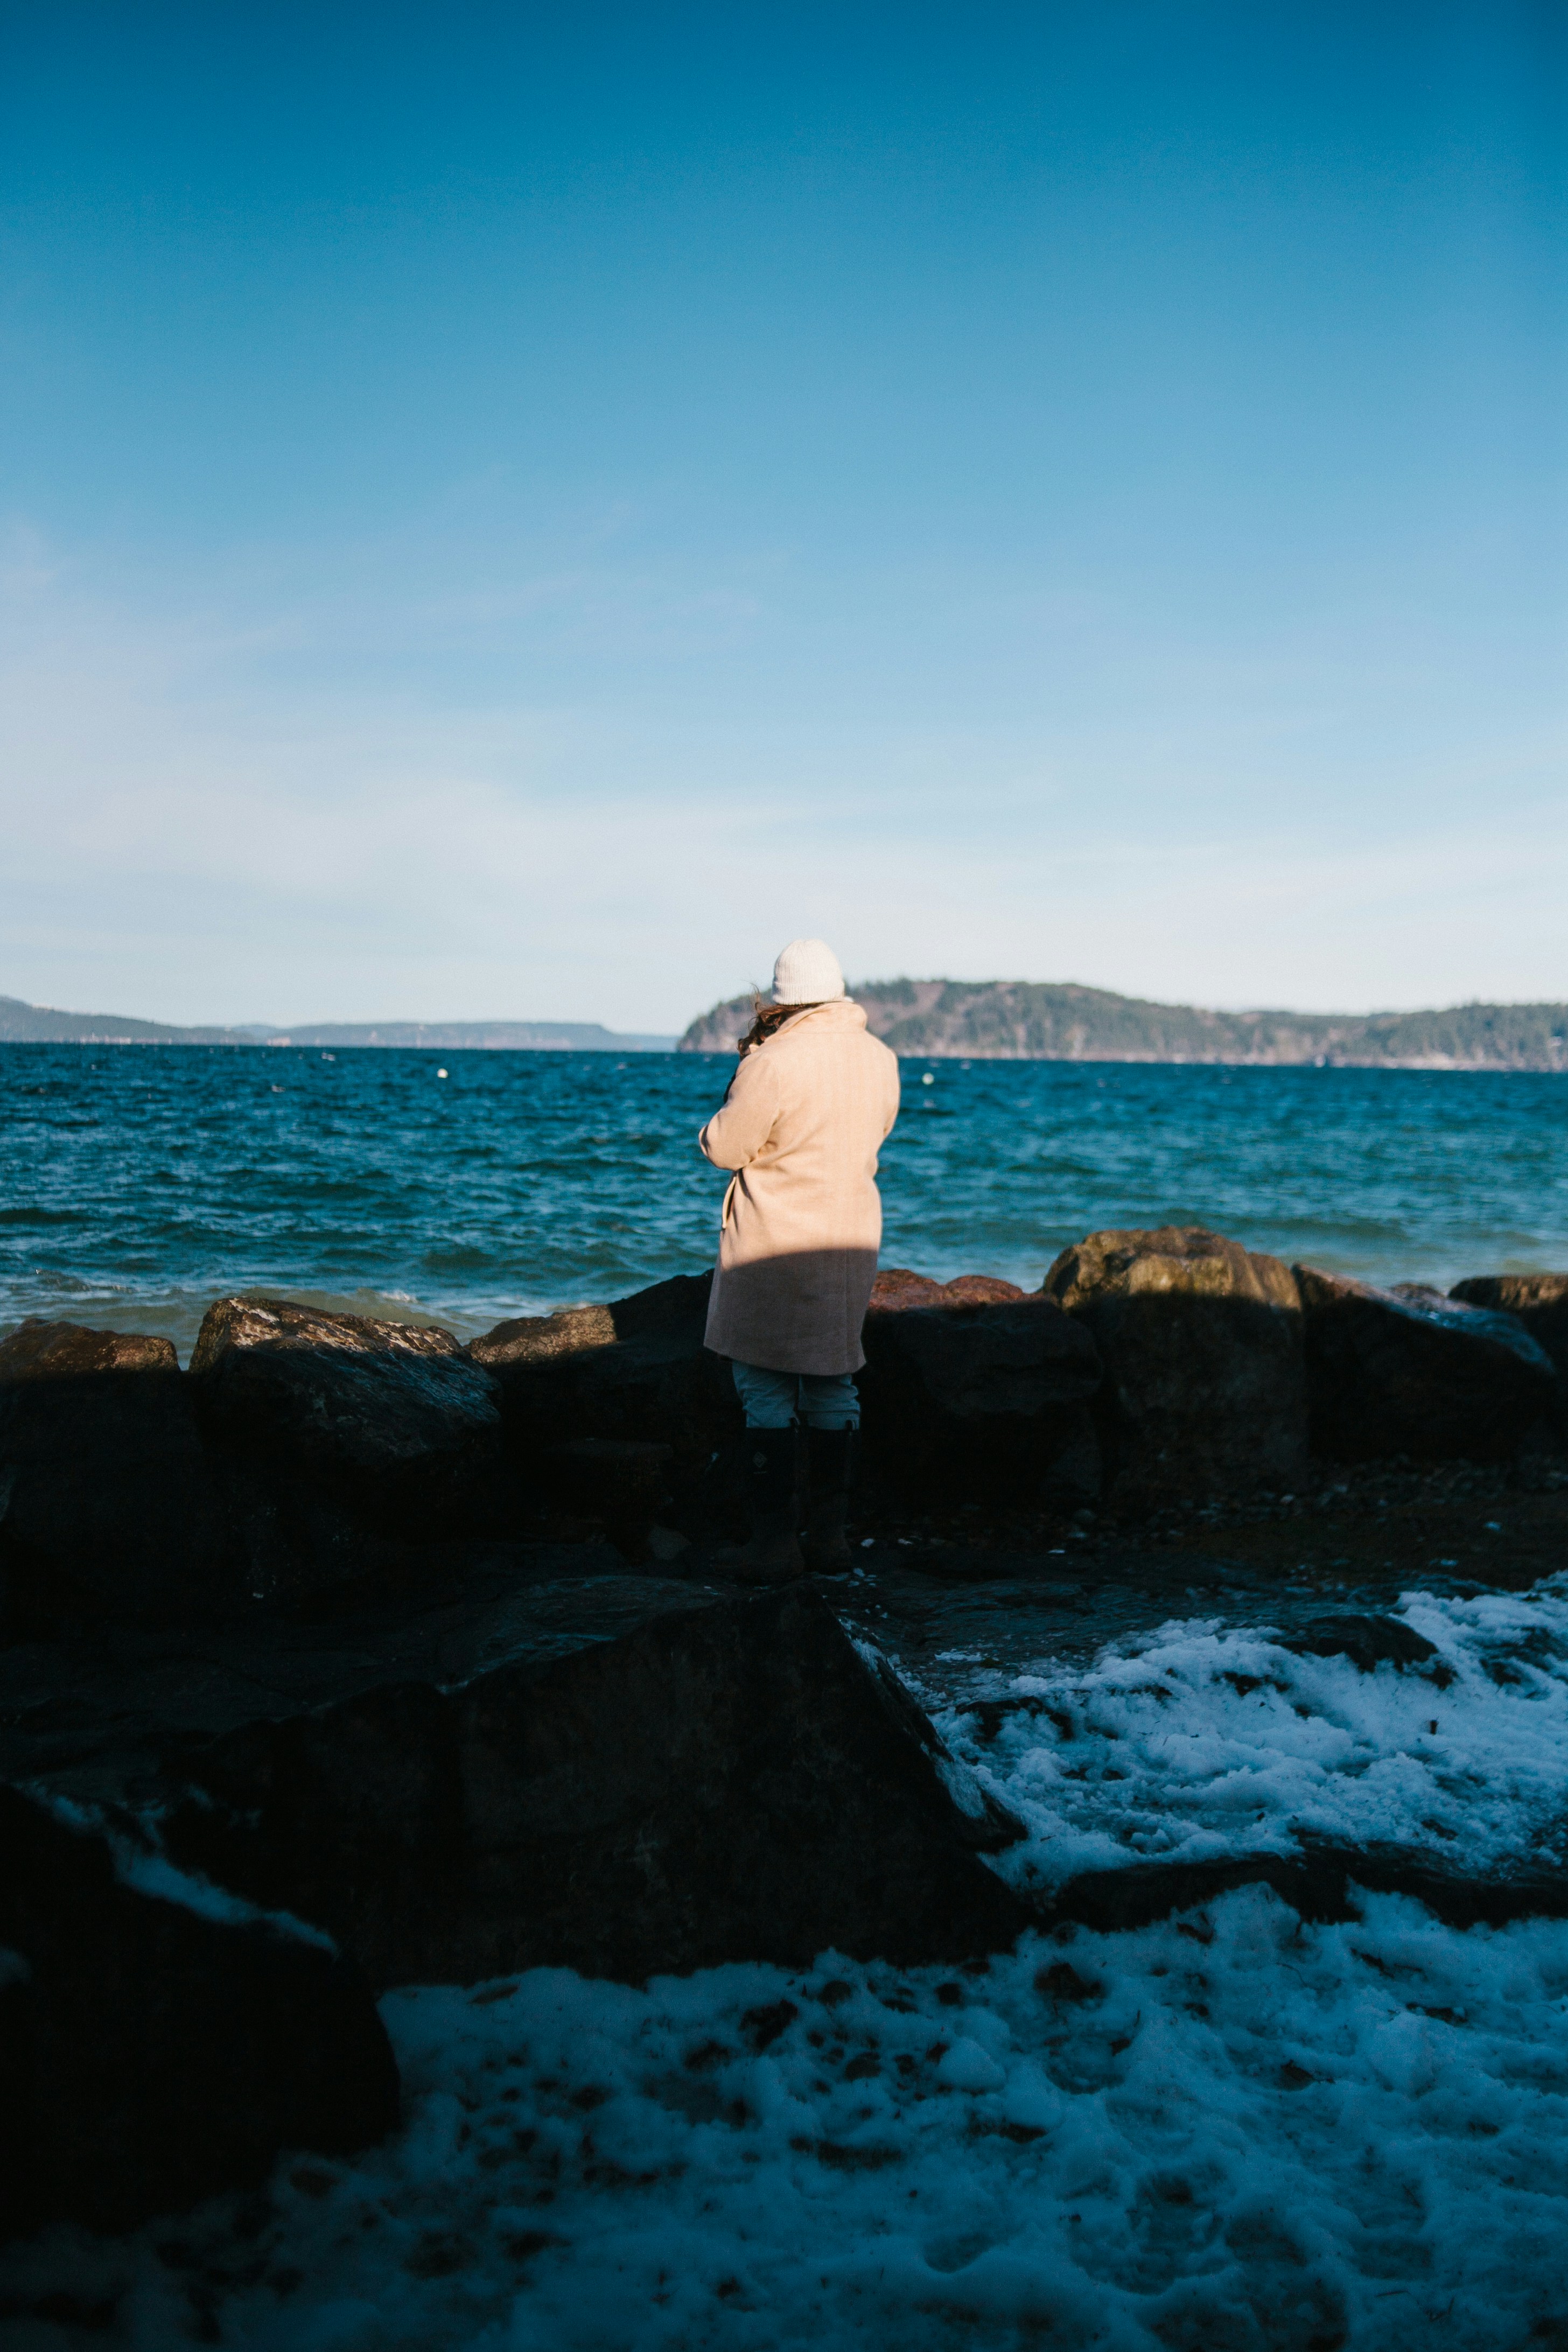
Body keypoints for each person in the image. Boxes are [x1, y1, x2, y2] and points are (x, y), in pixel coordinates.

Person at [698, 937, 901, 1579]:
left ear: (781, 1000)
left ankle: (772, 1545)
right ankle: (830, 1540)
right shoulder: (880, 1058)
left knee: (763, 1385)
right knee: (833, 1381)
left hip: (775, 1241)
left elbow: (727, 1148)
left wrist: (724, 1103)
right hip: (848, 1237)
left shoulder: (774, 1060)